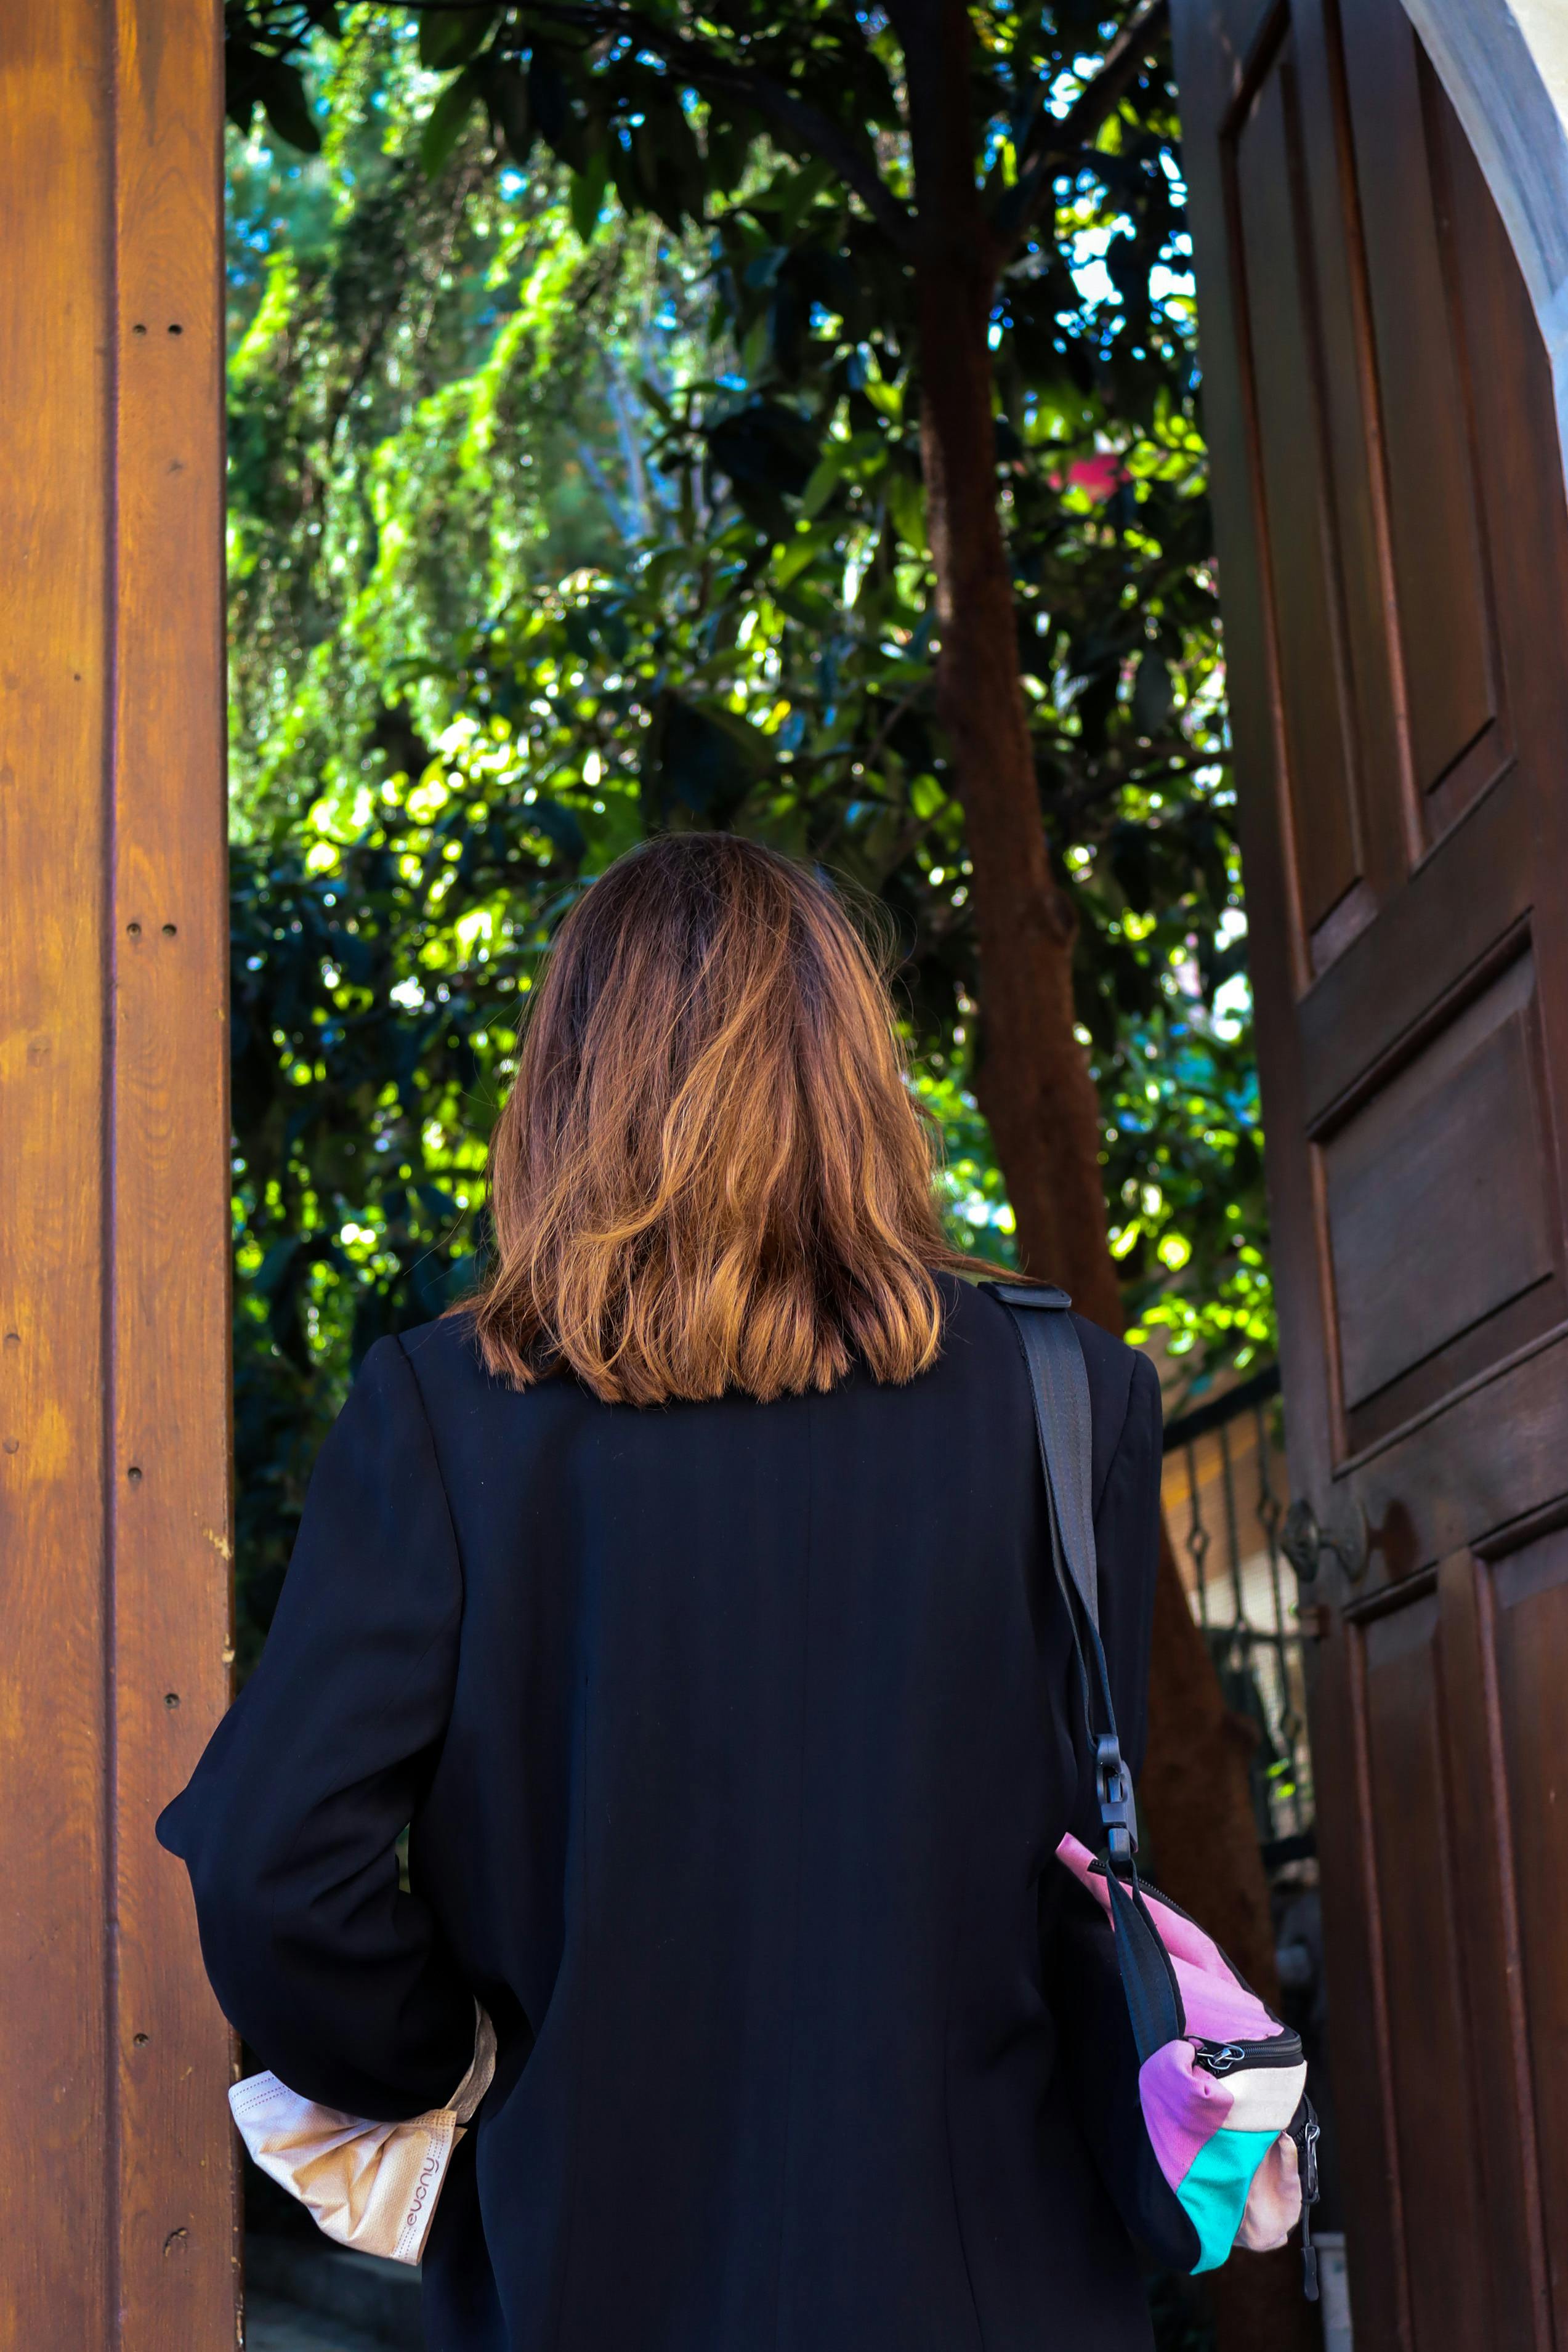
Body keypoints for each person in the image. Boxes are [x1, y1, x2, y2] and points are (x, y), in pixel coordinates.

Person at [159, 833, 1163, 2351]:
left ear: (565, 1088)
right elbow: (1090, 1858)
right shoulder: (1063, 1391)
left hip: (586, 2275)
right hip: (996, 2281)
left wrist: (450, 2061)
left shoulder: (445, 1411)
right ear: (858, 1081)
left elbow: (271, 1868)